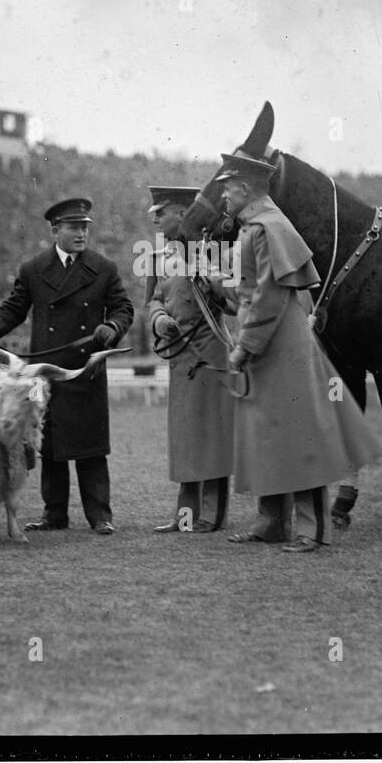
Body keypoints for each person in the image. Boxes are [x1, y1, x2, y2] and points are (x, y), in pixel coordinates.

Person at [217, 152, 382, 554]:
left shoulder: (267, 227)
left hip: (281, 348)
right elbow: (249, 292)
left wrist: (244, 347)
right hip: (270, 345)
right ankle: (271, 522)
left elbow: (268, 297)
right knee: (270, 435)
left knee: (300, 436)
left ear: (245, 188)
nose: (223, 196)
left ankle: (312, 529)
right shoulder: (256, 227)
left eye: (226, 188)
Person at [0, 197, 134, 535]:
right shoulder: (33, 269)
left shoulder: (103, 268)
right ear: (55, 230)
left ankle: (100, 516)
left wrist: (113, 327)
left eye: (85, 227)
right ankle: (55, 514)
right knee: (52, 446)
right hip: (46, 372)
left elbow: (123, 308)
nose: (81, 233)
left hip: (85, 369)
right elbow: (13, 310)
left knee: (91, 447)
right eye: (74, 227)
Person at [145, 186, 234, 534]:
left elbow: (232, 301)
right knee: (185, 437)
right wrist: (158, 319)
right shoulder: (159, 257)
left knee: (211, 435)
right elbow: (153, 299)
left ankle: (211, 517)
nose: (155, 219)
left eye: (160, 212)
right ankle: (185, 517)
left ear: (182, 214)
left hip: (208, 352)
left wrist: (211, 279)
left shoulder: (212, 252)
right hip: (179, 356)